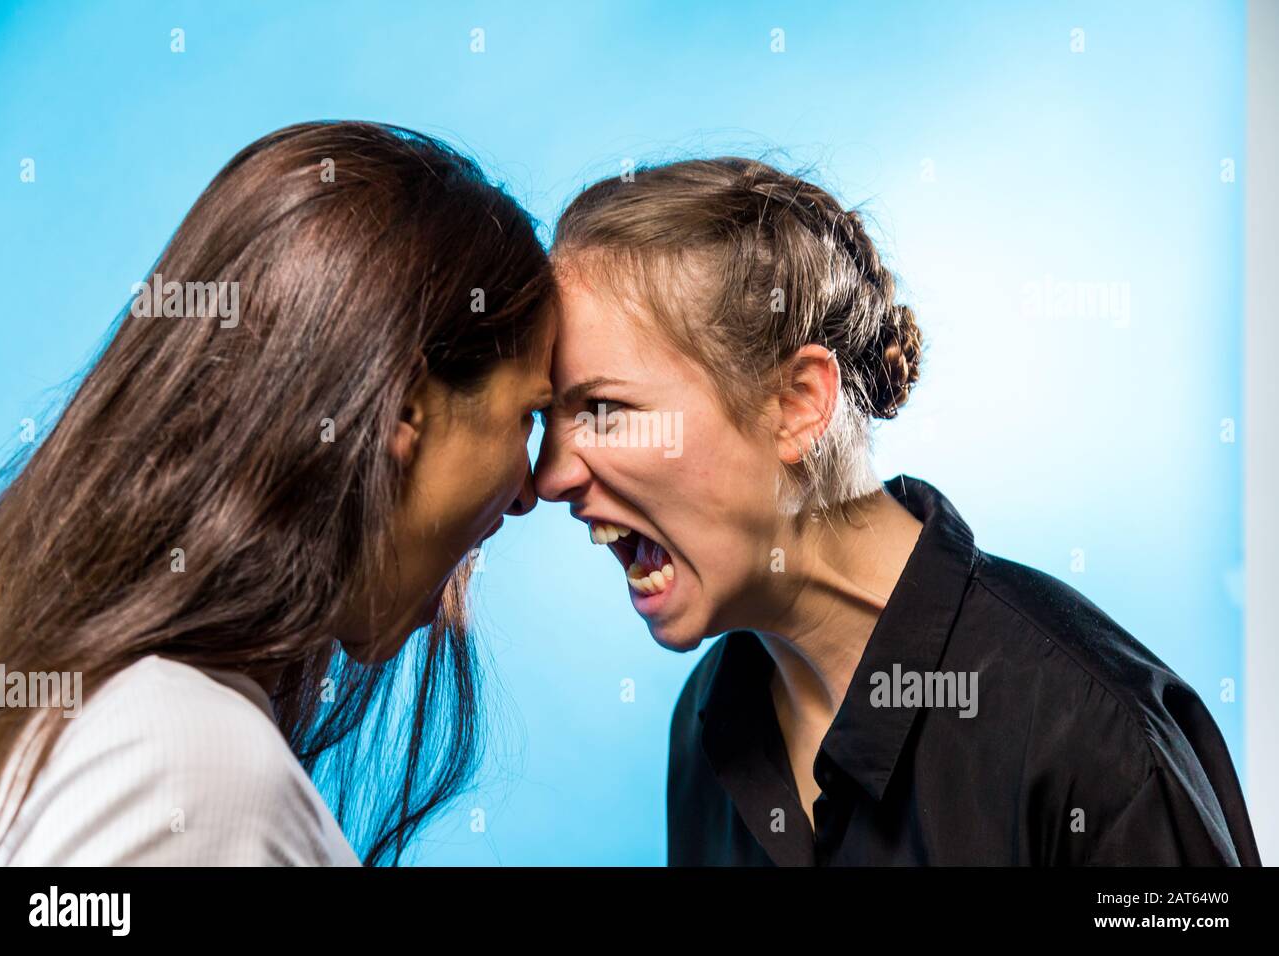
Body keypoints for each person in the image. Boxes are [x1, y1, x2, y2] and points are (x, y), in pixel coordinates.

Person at [534, 156, 1262, 865]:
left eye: (602, 410)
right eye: (548, 418)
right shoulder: (708, 724)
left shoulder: (1097, 745)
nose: (548, 478)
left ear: (796, 405)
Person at [0, 121, 555, 866]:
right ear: (403, 410)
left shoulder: (118, 721)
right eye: (527, 418)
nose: (529, 492)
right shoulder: (196, 769)